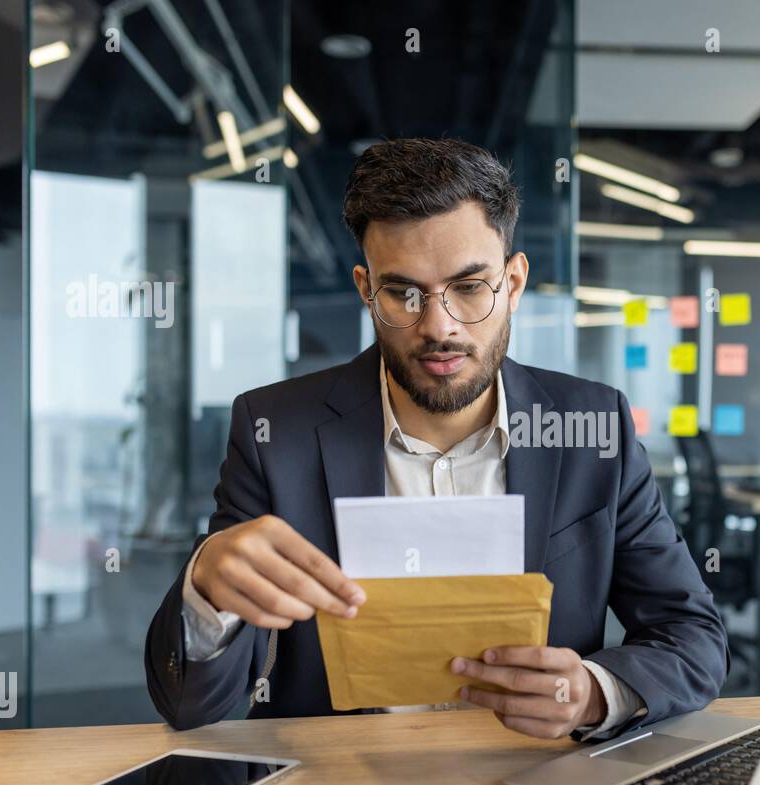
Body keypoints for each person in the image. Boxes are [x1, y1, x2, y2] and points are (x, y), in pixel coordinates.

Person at [145, 137, 727, 741]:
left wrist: (592, 694)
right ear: (366, 289)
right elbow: (190, 707)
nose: (439, 326)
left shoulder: (593, 429)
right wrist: (207, 590)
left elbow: (692, 639)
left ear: (515, 282)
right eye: (404, 293)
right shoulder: (275, 432)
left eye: (471, 287)